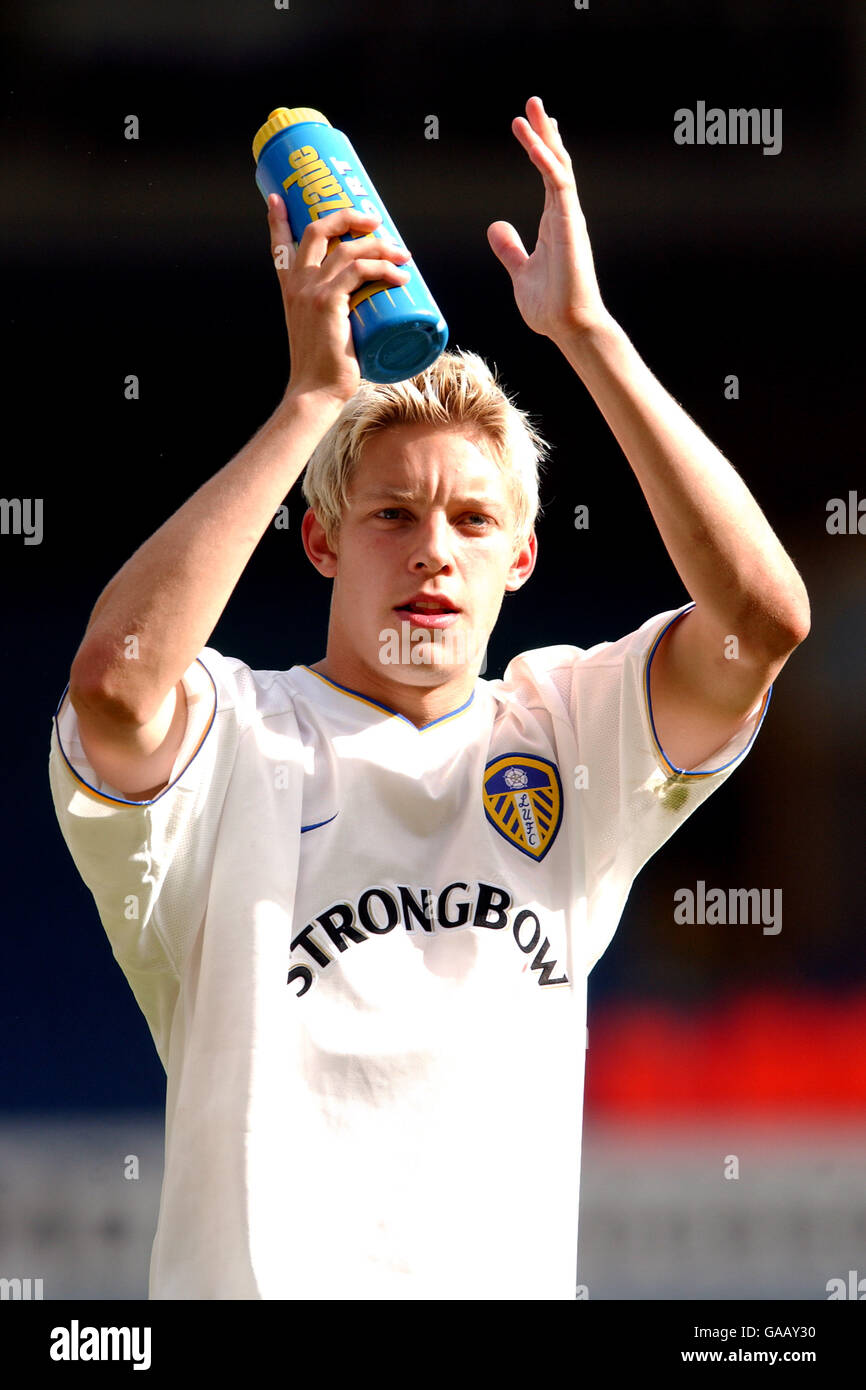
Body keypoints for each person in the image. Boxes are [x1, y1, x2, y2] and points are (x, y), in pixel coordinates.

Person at [48, 96, 809, 1299]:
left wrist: (588, 333)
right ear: (319, 544)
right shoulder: (235, 733)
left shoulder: (563, 729)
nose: (431, 553)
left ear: (520, 560)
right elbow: (114, 694)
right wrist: (307, 404)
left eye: (470, 521)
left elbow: (761, 622)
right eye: (390, 516)